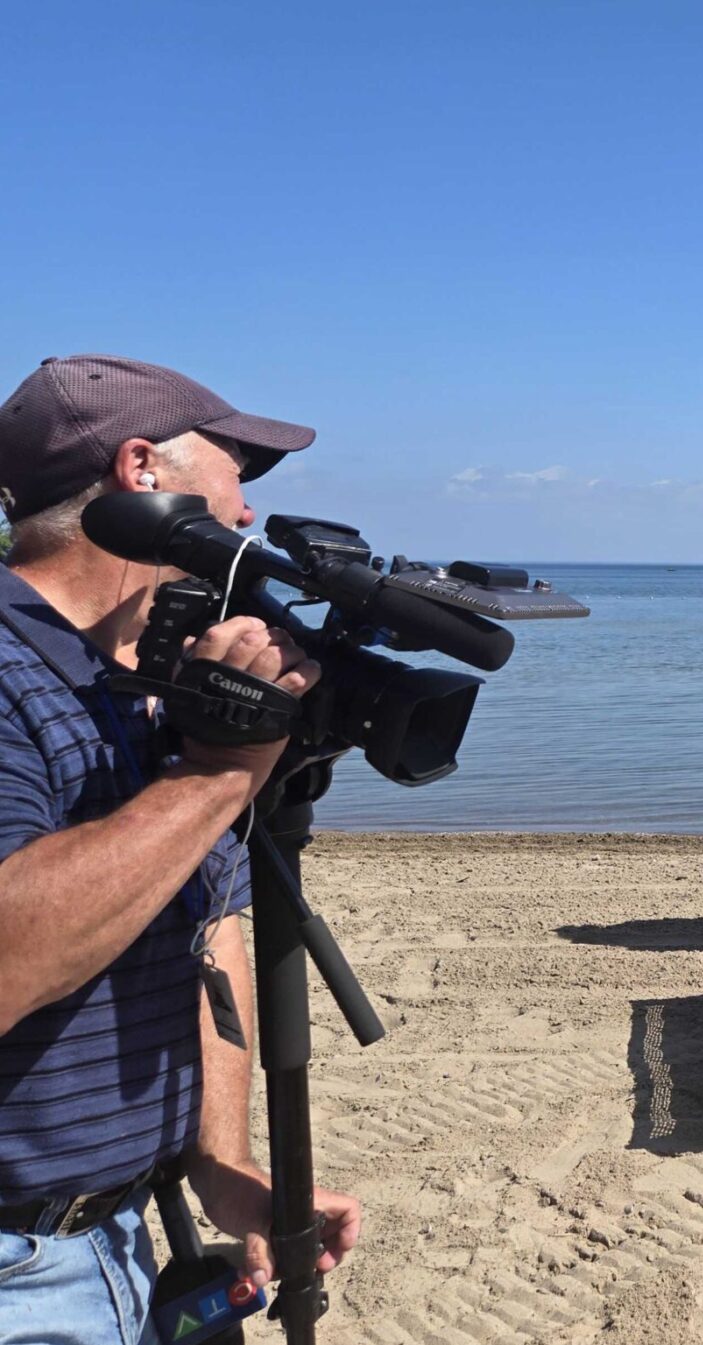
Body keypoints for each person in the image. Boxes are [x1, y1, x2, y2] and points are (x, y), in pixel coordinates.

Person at [0, 355, 361, 1341]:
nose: (244, 514)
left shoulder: (145, 684)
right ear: (141, 470)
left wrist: (224, 1170)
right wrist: (218, 776)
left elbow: (212, 932)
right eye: (235, 469)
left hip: (116, 1242)